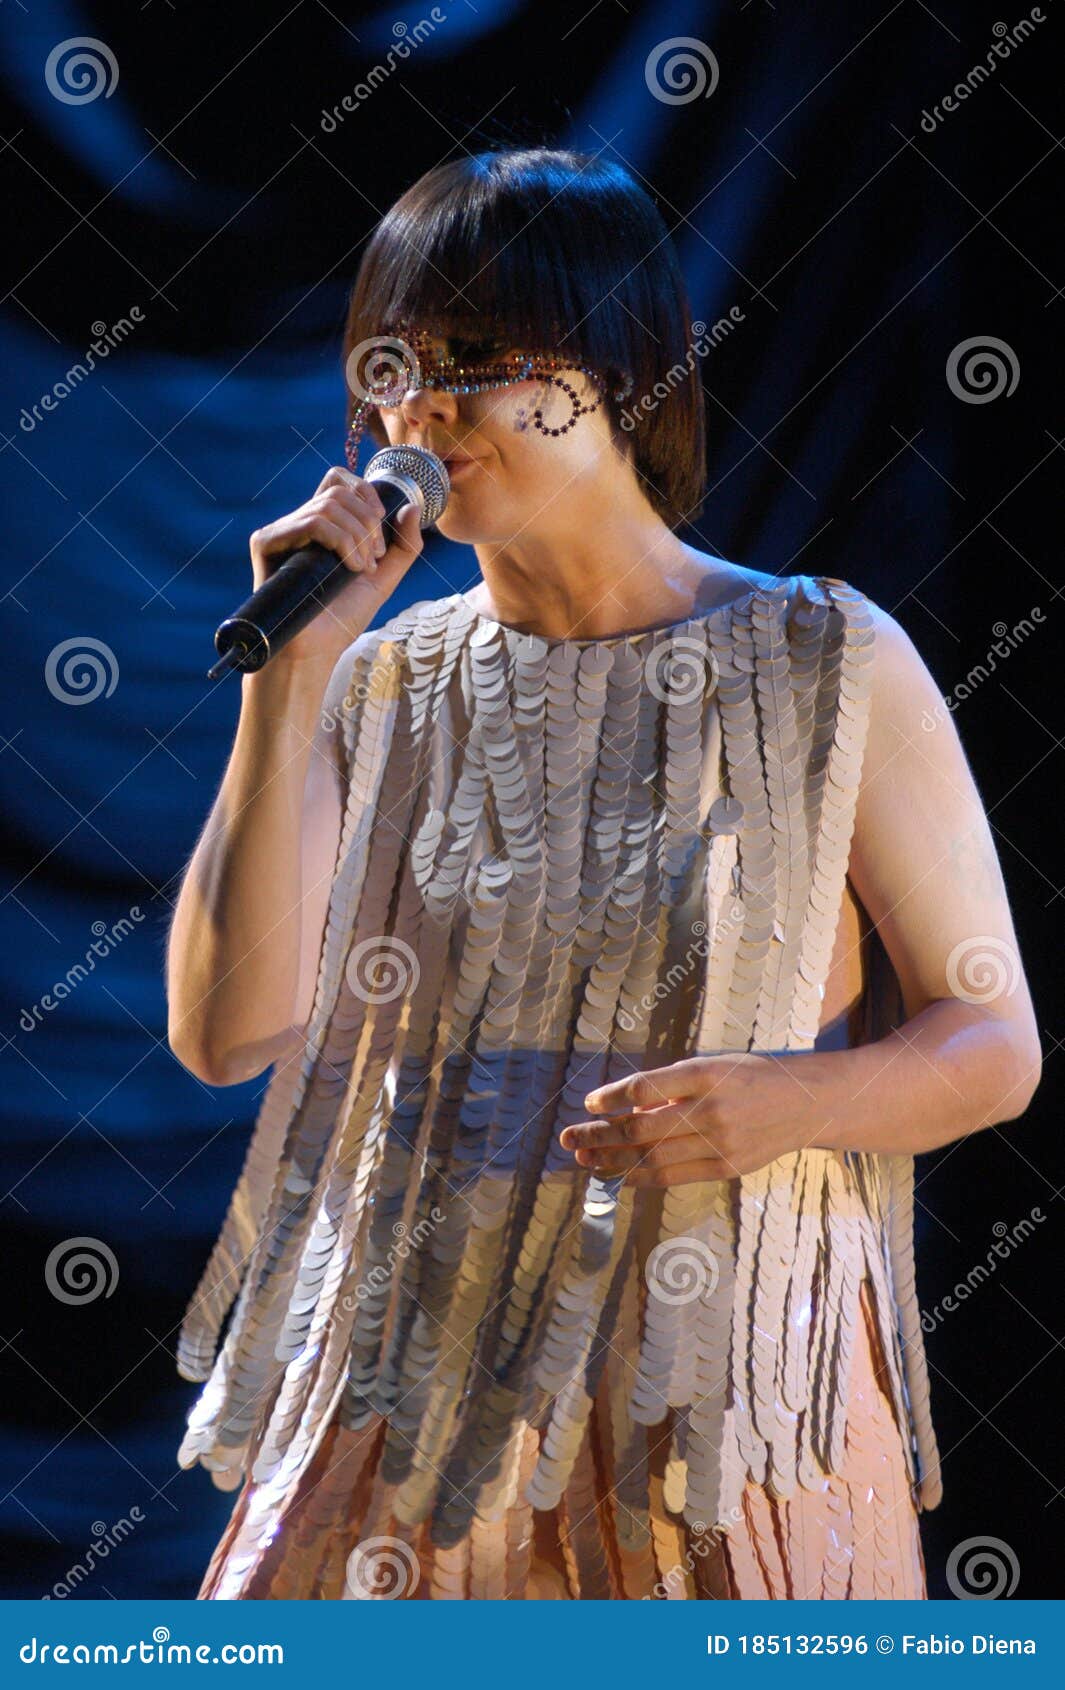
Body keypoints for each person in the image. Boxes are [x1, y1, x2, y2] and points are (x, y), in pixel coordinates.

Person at [165, 147, 1041, 1601]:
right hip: (405, 1397)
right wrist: (288, 681)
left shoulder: (823, 656)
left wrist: (791, 1102)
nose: (423, 410)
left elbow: (988, 1036)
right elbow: (223, 1033)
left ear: (622, 366)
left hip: (714, 1398)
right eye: (391, 364)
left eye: (477, 358)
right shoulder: (376, 680)